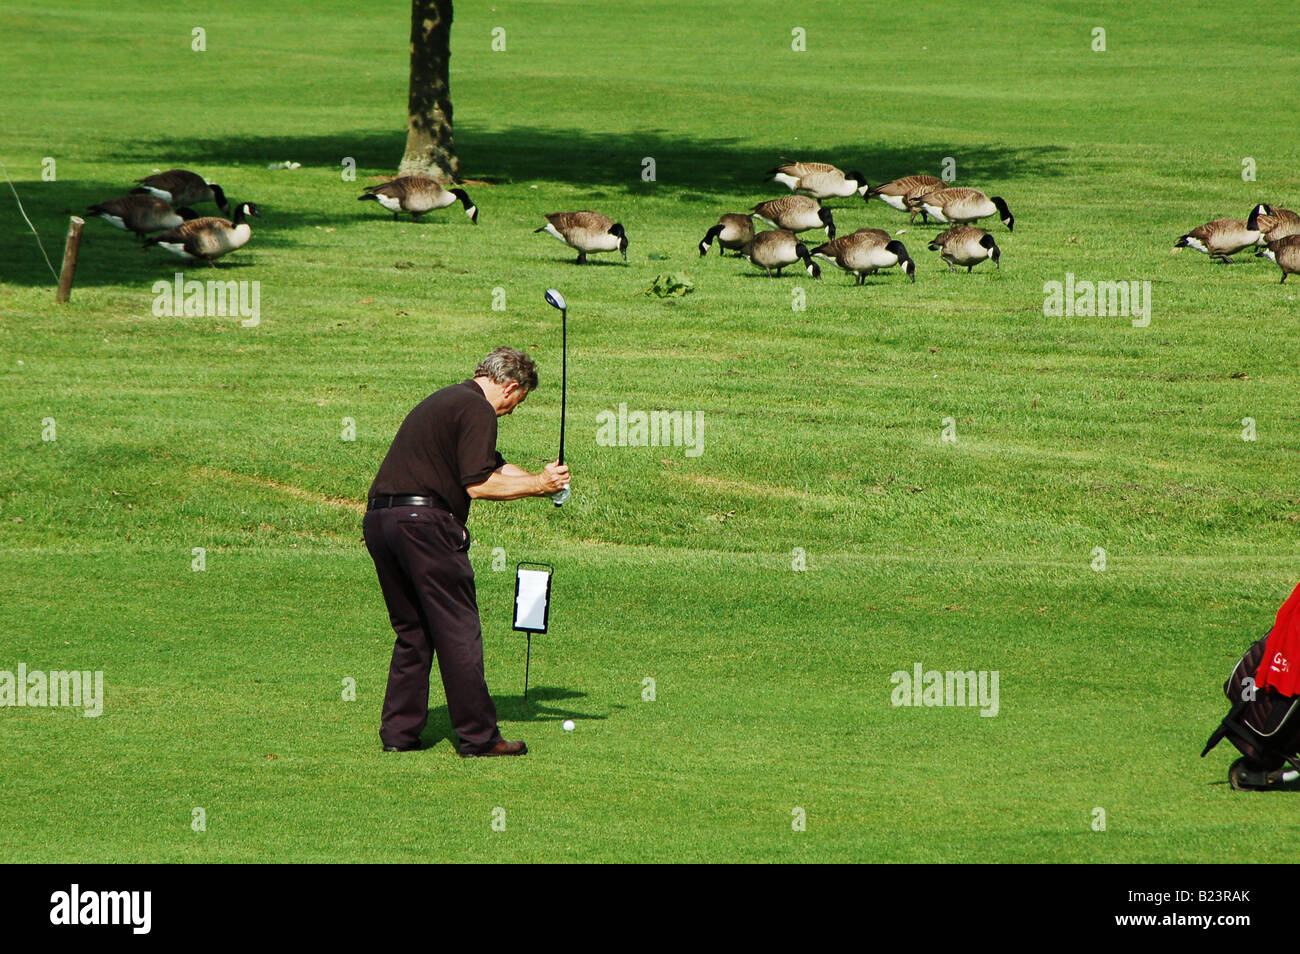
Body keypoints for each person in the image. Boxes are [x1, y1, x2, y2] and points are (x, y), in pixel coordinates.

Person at [363, 347, 571, 756]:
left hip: (382, 523)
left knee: (414, 631)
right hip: (425, 526)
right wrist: (539, 487)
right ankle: (478, 737)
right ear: (510, 387)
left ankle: (399, 735)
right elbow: (478, 484)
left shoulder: (447, 400)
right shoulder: (478, 410)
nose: (512, 411)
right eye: (518, 401)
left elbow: (493, 465)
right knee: (458, 630)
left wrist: (540, 478)